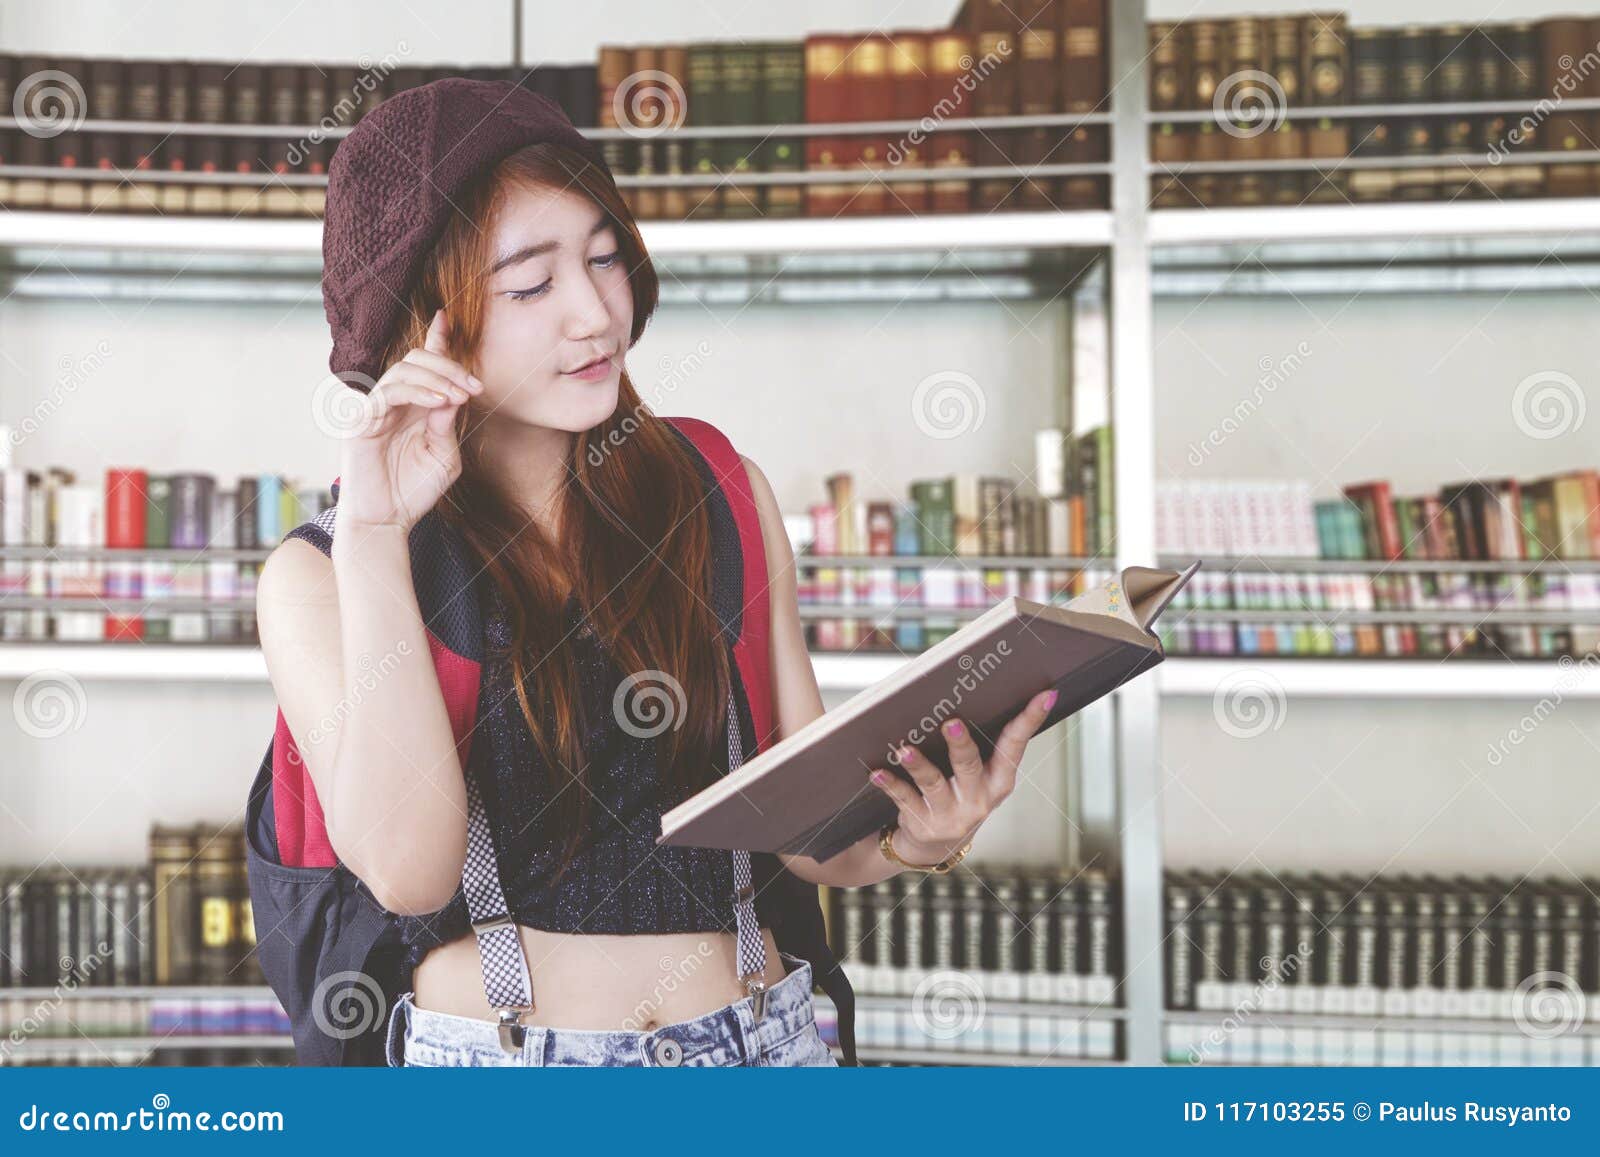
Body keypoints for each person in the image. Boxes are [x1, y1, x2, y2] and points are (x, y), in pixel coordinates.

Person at [256, 78, 1059, 1068]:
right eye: (529, 283)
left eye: (605, 257)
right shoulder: (321, 573)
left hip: (763, 1051)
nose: (595, 313)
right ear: (423, 324)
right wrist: (377, 534)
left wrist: (919, 835)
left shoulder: (718, 489)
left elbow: (810, 829)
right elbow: (410, 870)